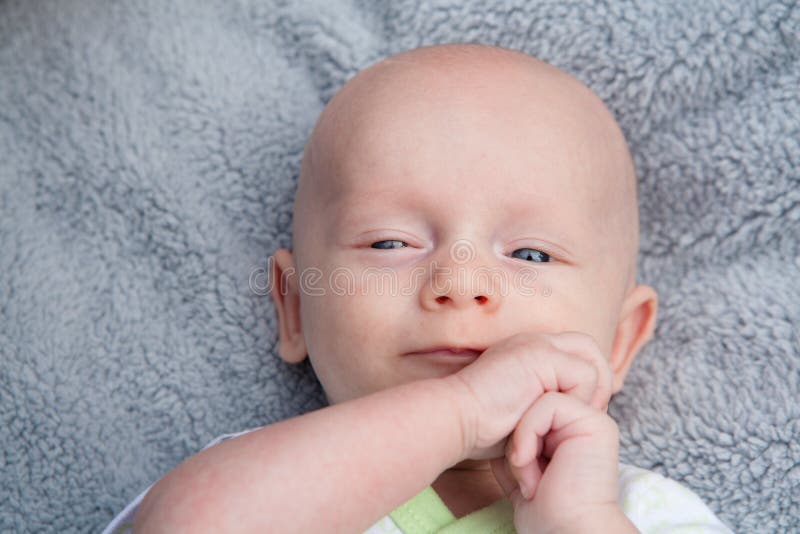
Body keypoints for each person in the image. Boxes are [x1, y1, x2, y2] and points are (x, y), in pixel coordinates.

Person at [105, 43, 732, 533]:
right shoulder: (276, 477)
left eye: (531, 254)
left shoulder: (639, 512)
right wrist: (460, 413)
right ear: (295, 307)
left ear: (619, 341)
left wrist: (579, 524)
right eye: (390, 243)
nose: (459, 284)